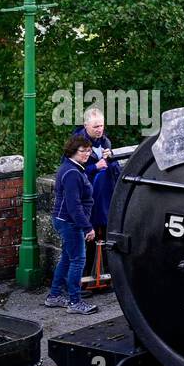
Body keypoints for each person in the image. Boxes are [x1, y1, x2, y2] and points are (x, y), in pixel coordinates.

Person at [43, 134, 99, 314]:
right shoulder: (72, 173)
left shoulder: (71, 168)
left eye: (89, 151)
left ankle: (54, 296)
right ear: (72, 152)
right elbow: (73, 205)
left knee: (67, 258)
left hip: (65, 220)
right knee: (78, 260)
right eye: (82, 151)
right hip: (69, 222)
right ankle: (75, 303)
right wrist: (87, 227)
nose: (86, 154)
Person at [74, 107, 120, 228]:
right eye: (95, 127)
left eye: (101, 126)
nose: (99, 130)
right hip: (87, 194)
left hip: (106, 193)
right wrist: (95, 166)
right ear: (85, 125)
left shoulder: (106, 142)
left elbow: (116, 171)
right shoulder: (77, 144)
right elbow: (72, 173)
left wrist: (111, 159)